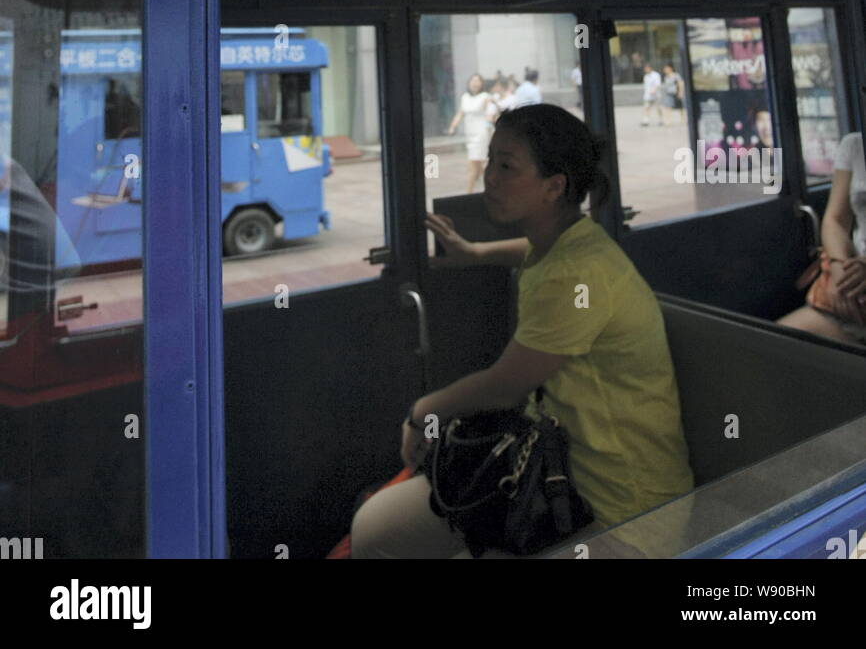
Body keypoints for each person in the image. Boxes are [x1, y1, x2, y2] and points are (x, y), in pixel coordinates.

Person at [351, 105, 694, 558]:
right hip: (541, 470)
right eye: (490, 161)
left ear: (555, 187)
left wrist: (422, 411)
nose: (490, 177)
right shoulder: (564, 240)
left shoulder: (577, 273)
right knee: (374, 528)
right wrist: (474, 254)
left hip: (620, 513)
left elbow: (506, 387)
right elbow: (532, 251)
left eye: (507, 166)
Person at [777, 131, 866, 345]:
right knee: (771, 346)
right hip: (856, 292)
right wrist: (838, 267)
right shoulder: (854, 145)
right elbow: (834, 220)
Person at [447, 73, 493, 193]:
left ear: (482, 84)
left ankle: (469, 193)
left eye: (478, 81)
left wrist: (490, 122)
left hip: (481, 133)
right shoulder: (465, 97)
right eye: (473, 80)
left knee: (473, 164)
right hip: (470, 134)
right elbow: (460, 113)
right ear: (469, 83)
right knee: (478, 165)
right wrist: (453, 126)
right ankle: (490, 189)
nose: (475, 83)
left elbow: (490, 112)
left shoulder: (485, 96)